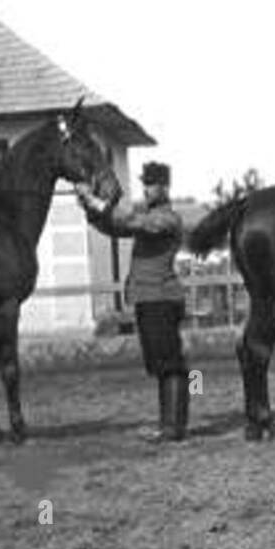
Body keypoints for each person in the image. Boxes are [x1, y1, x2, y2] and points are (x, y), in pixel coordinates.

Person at [74, 161, 189, 441]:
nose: (146, 190)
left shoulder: (168, 218)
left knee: (171, 363)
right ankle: (168, 426)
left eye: (151, 185)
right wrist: (90, 208)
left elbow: (134, 223)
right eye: (145, 185)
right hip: (149, 299)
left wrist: (97, 201)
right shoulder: (146, 216)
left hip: (161, 298)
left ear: (164, 187)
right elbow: (116, 227)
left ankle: (174, 428)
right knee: (160, 364)